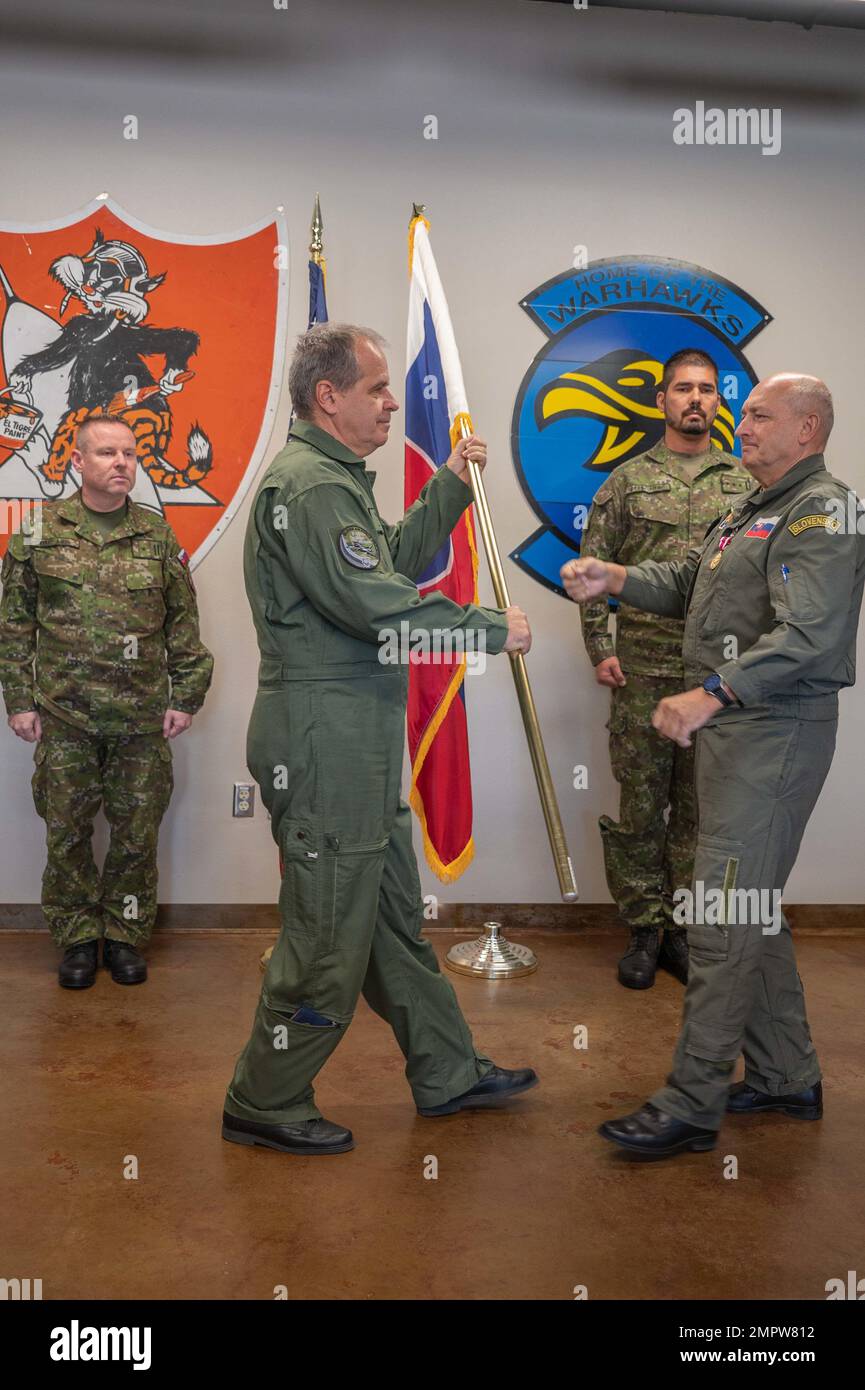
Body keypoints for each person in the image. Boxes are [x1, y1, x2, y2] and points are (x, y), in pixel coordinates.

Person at [222, 324, 538, 1157]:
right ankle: (266, 1094)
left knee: (390, 922)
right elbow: (374, 608)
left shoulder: (332, 481)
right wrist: (485, 628)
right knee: (327, 934)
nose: (392, 402)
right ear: (328, 396)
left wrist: (447, 489)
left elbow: (384, 567)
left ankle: (447, 1070)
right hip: (325, 738)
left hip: (352, 737)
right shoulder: (311, 487)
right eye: (377, 387)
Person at [562, 373, 864, 1158]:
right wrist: (617, 578)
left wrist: (709, 694)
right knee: (746, 906)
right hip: (739, 731)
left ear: (807, 429)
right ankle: (783, 1074)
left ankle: (690, 1101)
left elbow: (811, 637)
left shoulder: (822, 510)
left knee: (721, 915)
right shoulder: (751, 506)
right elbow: (692, 584)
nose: (744, 422)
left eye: (761, 414)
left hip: (772, 731)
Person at [0, 417, 213, 988]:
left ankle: (123, 936)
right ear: (77, 462)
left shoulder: (157, 536)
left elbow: (182, 625)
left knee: (136, 834)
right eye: (106, 453)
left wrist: (186, 694)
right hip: (63, 717)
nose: (121, 462)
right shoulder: (39, 531)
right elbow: (14, 625)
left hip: (141, 719)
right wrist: (19, 701)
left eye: (129, 453)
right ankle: (75, 939)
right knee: (65, 831)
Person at [579, 348, 749, 990]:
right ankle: (643, 929)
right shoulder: (624, 483)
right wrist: (602, 648)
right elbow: (593, 570)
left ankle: (682, 929)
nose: (696, 400)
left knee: (699, 808)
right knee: (641, 807)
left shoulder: (743, 486)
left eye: (706, 389)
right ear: (662, 401)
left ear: (718, 400)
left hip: (712, 675)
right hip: (643, 668)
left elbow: (756, 581)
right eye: (683, 389)